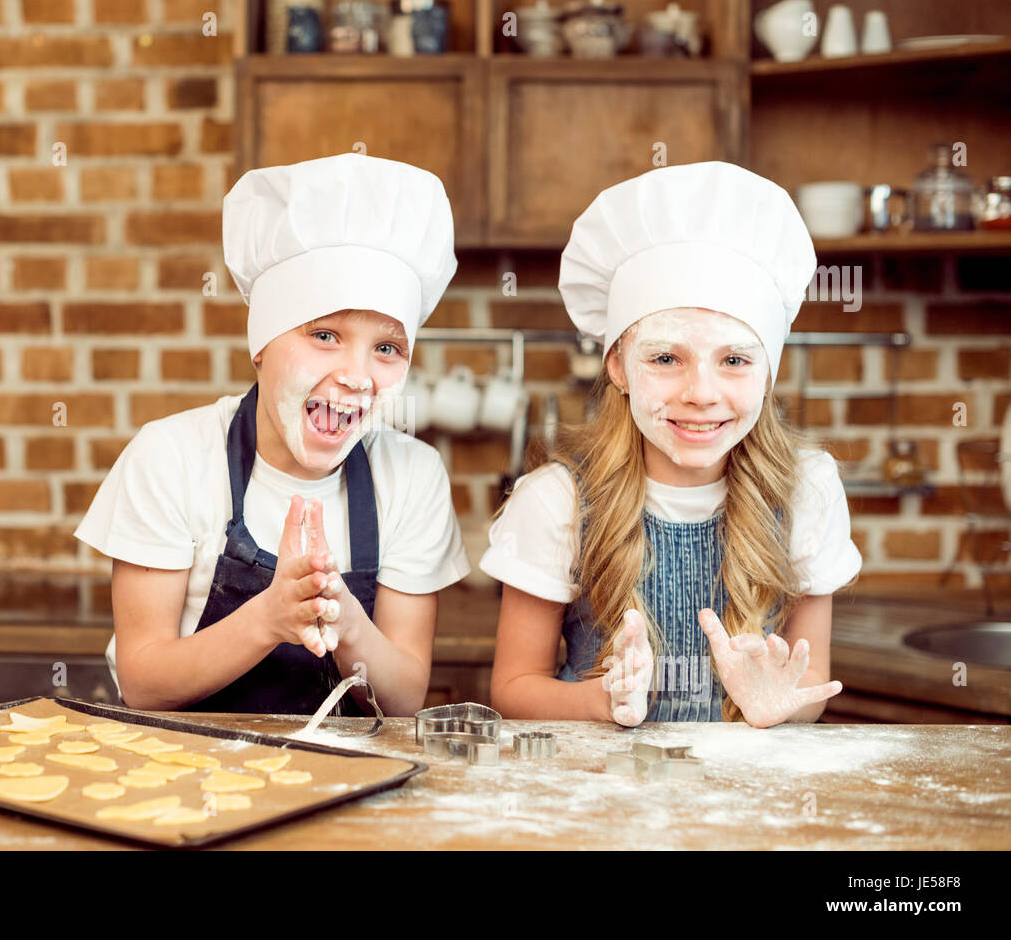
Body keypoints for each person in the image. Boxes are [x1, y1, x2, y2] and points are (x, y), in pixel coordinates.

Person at [75, 152, 470, 716]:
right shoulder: (172, 458)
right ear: (259, 342)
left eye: (386, 348)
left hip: (349, 787)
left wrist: (343, 618)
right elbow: (143, 683)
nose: (357, 376)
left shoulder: (412, 477)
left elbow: (403, 699)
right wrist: (270, 618)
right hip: (189, 782)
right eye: (325, 335)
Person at [482, 161, 861, 726]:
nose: (701, 394)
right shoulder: (556, 500)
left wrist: (778, 708)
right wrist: (599, 702)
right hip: (600, 798)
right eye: (665, 359)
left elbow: (809, 684)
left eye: (734, 360)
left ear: (769, 373)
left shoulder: (807, 491)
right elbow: (513, 688)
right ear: (618, 365)